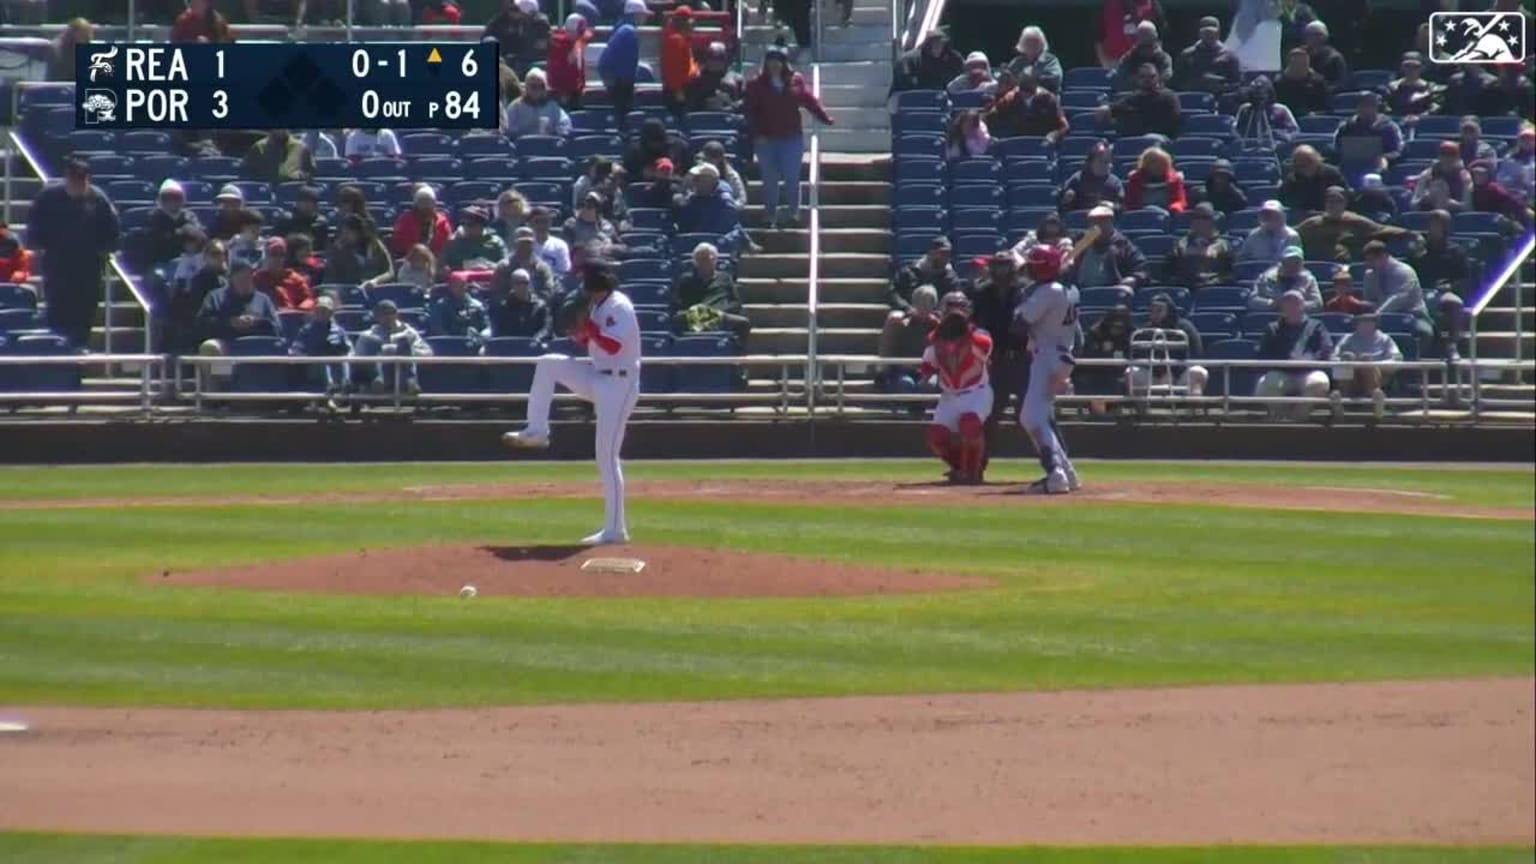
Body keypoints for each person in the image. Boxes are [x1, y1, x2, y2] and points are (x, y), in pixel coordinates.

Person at [503, 259, 643, 546]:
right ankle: (537, 430)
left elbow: (615, 346)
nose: (584, 289)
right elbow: (592, 341)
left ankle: (615, 529)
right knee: (548, 364)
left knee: (606, 458)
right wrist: (581, 335)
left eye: (587, 282)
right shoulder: (598, 305)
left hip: (620, 384)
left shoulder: (619, 305)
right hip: (598, 376)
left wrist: (590, 330)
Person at [27, 159, 120, 349]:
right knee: (58, 307)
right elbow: (35, 224)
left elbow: (112, 229)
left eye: (81, 179)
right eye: (73, 178)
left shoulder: (97, 198)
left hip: (89, 265)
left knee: (85, 308)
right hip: (57, 264)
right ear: (66, 178)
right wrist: (39, 244)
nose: (77, 183)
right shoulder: (49, 196)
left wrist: (107, 248)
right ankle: (57, 347)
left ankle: (79, 346)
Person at [1013, 245, 1081, 495]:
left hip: (1047, 357)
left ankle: (1055, 475)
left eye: (1033, 265)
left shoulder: (1048, 292)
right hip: (1060, 357)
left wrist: (1025, 297)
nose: (1028, 268)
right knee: (1040, 416)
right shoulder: (1066, 290)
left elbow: (1019, 324)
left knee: (1031, 418)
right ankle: (1066, 472)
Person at [744, 44, 833, 230]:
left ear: (784, 63)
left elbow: (809, 101)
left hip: (791, 137)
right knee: (770, 180)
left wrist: (824, 117)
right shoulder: (755, 84)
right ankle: (770, 214)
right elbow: (749, 112)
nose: (774, 65)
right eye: (771, 61)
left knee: (792, 177)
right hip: (765, 140)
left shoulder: (795, 80)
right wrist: (756, 135)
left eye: (778, 61)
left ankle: (794, 212)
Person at [918, 293, 993, 484]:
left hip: (976, 392)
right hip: (950, 395)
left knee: (970, 424)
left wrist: (963, 333)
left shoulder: (980, 336)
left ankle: (973, 472)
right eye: (951, 307)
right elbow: (927, 366)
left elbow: (985, 350)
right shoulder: (935, 339)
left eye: (959, 308)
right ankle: (959, 468)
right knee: (936, 436)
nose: (955, 312)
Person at [965, 253, 1028, 471]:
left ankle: (1053, 465)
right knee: (989, 416)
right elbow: (976, 324)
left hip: (1021, 358)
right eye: (998, 266)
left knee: (1031, 415)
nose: (1002, 271)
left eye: (1005, 266)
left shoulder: (1023, 291)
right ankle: (977, 465)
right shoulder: (982, 293)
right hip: (994, 360)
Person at [1255, 290, 1333, 421]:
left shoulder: (1316, 325)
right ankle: (1279, 419)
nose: (1291, 306)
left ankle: (1299, 418)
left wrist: (1309, 360)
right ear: (1282, 307)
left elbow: (1326, 348)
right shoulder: (1273, 328)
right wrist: (1283, 361)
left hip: (1308, 371)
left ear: (1303, 305)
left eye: (1295, 303)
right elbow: (1262, 352)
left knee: (1319, 382)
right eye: (1287, 303)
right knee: (1269, 382)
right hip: (1281, 371)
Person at [1296, 186, 1411, 262]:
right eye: (1330, 201)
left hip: (1349, 266)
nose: (1334, 205)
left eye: (1338, 201)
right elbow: (1293, 234)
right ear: (1325, 203)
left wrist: (1410, 233)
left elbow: (1381, 229)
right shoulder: (1313, 224)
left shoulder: (1355, 221)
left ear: (1345, 203)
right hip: (1322, 266)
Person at [1127, 292, 1208, 399]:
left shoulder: (1185, 328)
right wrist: (1159, 372)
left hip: (1179, 376)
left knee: (1198, 371)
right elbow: (1138, 356)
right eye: (1152, 310)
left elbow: (1195, 354)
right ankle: (1140, 410)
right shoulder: (1145, 330)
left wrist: (1173, 372)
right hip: (1153, 375)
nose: (1155, 314)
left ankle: (1194, 411)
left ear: (1169, 310)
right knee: (1131, 372)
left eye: (1159, 310)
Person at [195, 259, 281, 354]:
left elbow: (277, 328)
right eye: (241, 276)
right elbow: (202, 325)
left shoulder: (263, 300)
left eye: (248, 276)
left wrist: (256, 323)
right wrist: (230, 323)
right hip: (226, 349)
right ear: (231, 278)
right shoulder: (215, 298)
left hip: (258, 350)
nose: (245, 280)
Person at [673, 242, 750, 345]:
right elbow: (677, 302)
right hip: (695, 315)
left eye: (711, 259)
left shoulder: (725, 278)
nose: (708, 263)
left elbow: (736, 302)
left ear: (715, 260)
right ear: (696, 262)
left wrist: (717, 311)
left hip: (719, 314)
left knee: (744, 322)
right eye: (703, 260)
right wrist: (696, 311)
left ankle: (736, 352)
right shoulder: (685, 279)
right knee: (677, 320)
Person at [352, 298, 433, 396]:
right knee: (373, 341)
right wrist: (384, 352)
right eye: (383, 313)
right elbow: (359, 359)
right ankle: (378, 380)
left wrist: (402, 352)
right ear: (377, 316)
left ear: (397, 314)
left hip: (402, 375)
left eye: (391, 312)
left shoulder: (409, 332)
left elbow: (428, 353)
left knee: (403, 343)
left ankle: (410, 381)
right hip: (375, 379)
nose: (388, 316)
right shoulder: (367, 335)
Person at [1361, 240, 1432, 346]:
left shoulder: (1405, 271)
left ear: (1384, 256)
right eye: (1367, 260)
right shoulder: (1369, 275)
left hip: (1412, 315)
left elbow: (1398, 298)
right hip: (1381, 319)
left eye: (1372, 260)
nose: (1369, 264)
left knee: (1424, 332)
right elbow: (1368, 299)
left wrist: (1378, 314)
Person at [1328, 311, 1399, 416]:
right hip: (1350, 378)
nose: (1366, 324)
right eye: (1362, 321)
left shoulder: (1386, 339)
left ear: (1375, 323)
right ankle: (1341, 399)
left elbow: (1396, 359)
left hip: (1375, 374)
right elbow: (1333, 357)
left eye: (1370, 321)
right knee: (1347, 356)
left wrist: (1374, 364)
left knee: (1365, 359)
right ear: (1356, 323)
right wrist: (1349, 362)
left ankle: (1375, 399)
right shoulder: (1347, 338)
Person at [877, 284, 940, 397]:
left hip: (926, 370)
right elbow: (888, 349)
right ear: (914, 303)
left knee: (928, 385)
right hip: (902, 369)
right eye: (921, 302)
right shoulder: (899, 323)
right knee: (906, 384)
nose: (924, 306)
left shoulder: (937, 325)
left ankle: (919, 409)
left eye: (928, 303)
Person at [1065, 206, 1149, 290]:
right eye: (1094, 222)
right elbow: (1066, 263)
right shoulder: (1082, 241)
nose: (1098, 225)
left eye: (1103, 221)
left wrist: (1134, 278)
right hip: (1081, 290)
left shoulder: (1122, 244)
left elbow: (1141, 268)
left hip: (1112, 291)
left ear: (1111, 222)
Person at [129, 179, 200, 275]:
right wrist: (179, 235)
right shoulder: (152, 218)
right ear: (160, 200)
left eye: (176, 197)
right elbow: (154, 244)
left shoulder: (190, 217)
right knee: (158, 277)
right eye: (167, 198)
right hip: (160, 262)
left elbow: (196, 239)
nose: (172, 201)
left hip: (186, 261)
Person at [288, 294, 352, 400]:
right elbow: (295, 350)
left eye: (325, 311)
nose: (321, 314)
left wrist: (345, 355)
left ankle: (346, 384)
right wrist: (308, 357)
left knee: (343, 360)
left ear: (331, 313)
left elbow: (349, 349)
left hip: (336, 366)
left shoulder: (339, 331)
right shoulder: (306, 330)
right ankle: (330, 387)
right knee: (323, 361)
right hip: (314, 368)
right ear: (314, 313)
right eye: (319, 310)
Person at [597, 0, 649, 125]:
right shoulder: (627, 31)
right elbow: (604, 61)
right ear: (635, 14)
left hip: (622, 83)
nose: (645, 17)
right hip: (621, 85)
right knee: (623, 121)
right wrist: (610, 78)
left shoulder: (623, 28)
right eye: (642, 14)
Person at [888, 237, 961, 323]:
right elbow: (893, 293)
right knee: (894, 317)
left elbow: (954, 300)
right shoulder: (909, 272)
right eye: (941, 253)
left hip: (938, 319)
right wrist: (907, 308)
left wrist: (938, 312)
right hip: (909, 315)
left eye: (948, 254)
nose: (945, 257)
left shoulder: (951, 278)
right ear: (931, 252)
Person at [1098, 62, 1181, 138]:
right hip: (1133, 139)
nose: (1147, 80)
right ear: (1137, 79)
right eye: (1143, 76)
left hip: (1159, 139)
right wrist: (1106, 108)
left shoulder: (1168, 97)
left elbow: (1171, 123)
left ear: (1158, 77)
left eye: (1152, 76)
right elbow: (1115, 108)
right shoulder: (1134, 97)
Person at [1333, 92, 1403, 178]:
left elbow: (1397, 151)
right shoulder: (1346, 127)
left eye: (1371, 105)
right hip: (1350, 168)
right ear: (1357, 107)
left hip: (1379, 169)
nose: (1367, 109)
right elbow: (1336, 149)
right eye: (1363, 105)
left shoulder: (1388, 127)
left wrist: (1384, 158)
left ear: (1377, 107)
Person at [985, 70, 1068, 142]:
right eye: (1023, 87)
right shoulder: (1010, 98)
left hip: (1043, 142)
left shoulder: (1049, 99)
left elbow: (1064, 126)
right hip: (1016, 142)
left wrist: (1054, 135)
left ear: (1036, 85)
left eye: (1029, 88)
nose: (1025, 93)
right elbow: (991, 116)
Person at [1163, 203, 1232, 289]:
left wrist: (1212, 282)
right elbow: (1169, 271)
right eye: (1196, 217)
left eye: (1205, 218)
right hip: (1186, 288)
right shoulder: (1180, 244)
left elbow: (1229, 275)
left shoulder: (1224, 246)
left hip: (1212, 290)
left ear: (1213, 221)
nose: (1200, 221)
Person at [323, 214, 394, 286]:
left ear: (359, 232)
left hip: (375, 290)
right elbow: (330, 280)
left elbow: (389, 273)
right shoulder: (337, 250)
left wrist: (375, 281)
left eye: (348, 232)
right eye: (343, 233)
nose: (345, 236)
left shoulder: (375, 245)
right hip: (348, 292)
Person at [483, 0, 549, 74]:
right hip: (512, 57)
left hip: (531, 59)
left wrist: (515, 57)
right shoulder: (502, 21)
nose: (514, 12)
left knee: (519, 64)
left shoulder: (540, 24)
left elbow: (536, 48)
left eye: (516, 9)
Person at [503, 69, 573, 138]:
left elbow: (565, 125)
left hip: (548, 146)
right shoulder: (515, 107)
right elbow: (507, 129)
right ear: (526, 87)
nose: (538, 89)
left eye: (542, 86)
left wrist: (554, 131)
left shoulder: (553, 107)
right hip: (523, 147)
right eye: (533, 86)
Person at [1095, 0, 1166, 69]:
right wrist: (1106, 63)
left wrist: (1152, 63)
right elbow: (1099, 37)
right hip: (1113, 62)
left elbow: (1160, 37)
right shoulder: (1109, 4)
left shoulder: (1152, 5)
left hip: (1143, 65)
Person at [1279, 144, 1348, 213]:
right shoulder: (1292, 179)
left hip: (1329, 216)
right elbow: (1283, 202)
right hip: (1302, 218)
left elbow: (1345, 197)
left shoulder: (1332, 175)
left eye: (1309, 161)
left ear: (1317, 160)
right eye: (1301, 164)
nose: (1306, 165)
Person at [1251, 246, 1323, 311]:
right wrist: (1271, 303)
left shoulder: (1308, 279)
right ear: (1282, 263)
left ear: (1302, 264)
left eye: (1297, 263)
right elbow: (1252, 301)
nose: (1292, 266)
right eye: (1289, 262)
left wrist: (1295, 306)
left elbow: (1317, 304)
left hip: (1297, 320)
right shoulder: (1266, 277)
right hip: (1271, 317)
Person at [442, 206, 509, 274]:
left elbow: (505, 265)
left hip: (491, 279)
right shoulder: (453, 243)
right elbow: (441, 267)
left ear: (482, 225)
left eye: (471, 225)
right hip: (461, 280)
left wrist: (488, 265)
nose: (466, 227)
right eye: (463, 224)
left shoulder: (496, 242)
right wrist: (464, 266)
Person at [1058, 142, 1123, 212]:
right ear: (1090, 162)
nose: (1105, 165)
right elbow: (1061, 203)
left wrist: (1112, 206)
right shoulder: (1078, 179)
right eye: (1101, 161)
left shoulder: (1115, 182)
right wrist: (1067, 199)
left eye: (1107, 162)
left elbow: (1122, 206)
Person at [253, 236, 314, 311]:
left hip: (292, 318)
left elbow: (308, 300)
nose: (278, 258)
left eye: (281, 254)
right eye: (274, 254)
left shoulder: (296, 279)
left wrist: (298, 310)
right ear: (266, 256)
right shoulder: (257, 279)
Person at [429, 273, 491, 345]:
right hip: (451, 346)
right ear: (451, 287)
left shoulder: (477, 305)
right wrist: (455, 340)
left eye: (462, 285)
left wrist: (481, 337)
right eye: (456, 286)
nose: (460, 288)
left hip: (475, 343)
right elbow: (437, 329)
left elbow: (487, 328)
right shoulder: (441, 306)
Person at [390, 186, 452, 258]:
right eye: (422, 202)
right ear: (416, 204)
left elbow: (447, 246)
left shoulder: (442, 222)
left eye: (429, 202)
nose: (426, 206)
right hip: (411, 260)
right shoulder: (405, 220)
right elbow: (399, 245)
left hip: (436, 260)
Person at [1411, 141, 1472, 213]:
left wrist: (1449, 203)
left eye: (1452, 154)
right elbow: (1413, 205)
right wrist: (1425, 199)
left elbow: (1468, 208)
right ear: (1439, 156)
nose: (1447, 158)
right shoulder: (1427, 174)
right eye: (1444, 154)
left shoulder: (1465, 177)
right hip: (1429, 214)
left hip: (1454, 215)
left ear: (1458, 157)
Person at [547, 13, 592, 110]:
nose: (581, 35)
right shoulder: (558, 45)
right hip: (562, 93)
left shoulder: (578, 42)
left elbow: (580, 66)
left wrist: (582, 84)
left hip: (576, 91)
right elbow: (557, 72)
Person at [1112, 20, 1174, 91]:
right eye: (1144, 45)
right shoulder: (1128, 59)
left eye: (1149, 44)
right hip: (1133, 96)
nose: (1146, 49)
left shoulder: (1164, 58)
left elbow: (1167, 77)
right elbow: (1122, 80)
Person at [490, 268, 551, 340]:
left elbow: (546, 328)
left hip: (535, 346)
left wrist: (536, 339)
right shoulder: (504, 307)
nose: (523, 286)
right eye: (518, 283)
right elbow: (499, 331)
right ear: (512, 285)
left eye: (525, 283)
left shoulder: (540, 306)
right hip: (512, 347)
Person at [660, 6, 700, 116]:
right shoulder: (675, 40)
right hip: (677, 90)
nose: (692, 25)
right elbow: (673, 68)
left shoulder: (679, 37)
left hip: (680, 88)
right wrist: (678, 90)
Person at [1469, 161, 1535, 227]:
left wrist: (1528, 212)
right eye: (1476, 173)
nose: (1478, 176)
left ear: (1488, 174)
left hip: (1494, 224)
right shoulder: (1468, 189)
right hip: (1473, 225)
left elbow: (1513, 202)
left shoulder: (1494, 188)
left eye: (1482, 174)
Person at [894, 30, 964, 92]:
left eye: (941, 44)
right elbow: (903, 84)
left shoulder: (952, 60)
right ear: (928, 45)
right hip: (909, 100)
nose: (939, 47)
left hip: (938, 99)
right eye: (936, 44)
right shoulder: (909, 60)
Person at [1233, 78, 1298, 143]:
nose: (1259, 97)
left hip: (1277, 145)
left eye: (1263, 94)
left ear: (1269, 94)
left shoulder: (1281, 109)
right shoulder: (1245, 109)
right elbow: (1235, 130)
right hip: (1248, 145)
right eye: (1256, 94)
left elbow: (1294, 130)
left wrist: (1281, 136)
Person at [1123, 146, 1186, 213]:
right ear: (1146, 164)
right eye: (1154, 163)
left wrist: (1174, 209)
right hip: (1141, 214)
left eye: (1162, 164)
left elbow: (1179, 200)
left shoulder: (1174, 179)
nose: (1158, 166)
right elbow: (1131, 202)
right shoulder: (1135, 180)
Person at [1239, 199, 1301, 264]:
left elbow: (1294, 262)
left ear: (1281, 217)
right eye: (1265, 215)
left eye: (1272, 215)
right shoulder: (1253, 235)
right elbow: (1244, 258)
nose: (1268, 218)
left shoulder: (1291, 236)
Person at [1271, 47, 1330, 117]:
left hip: (1314, 119)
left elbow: (1327, 108)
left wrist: (1315, 114)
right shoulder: (1278, 84)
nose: (1301, 66)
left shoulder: (1318, 82)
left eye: (1304, 63)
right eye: (1297, 63)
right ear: (1289, 64)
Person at [688, 43, 746, 113]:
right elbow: (689, 108)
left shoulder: (737, 79)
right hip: (704, 119)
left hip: (729, 119)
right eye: (712, 59)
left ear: (725, 60)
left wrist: (732, 106)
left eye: (719, 59)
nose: (715, 63)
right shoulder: (697, 81)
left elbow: (745, 103)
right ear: (707, 60)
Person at [1008, 213, 1074, 273]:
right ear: (1044, 226)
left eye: (1054, 224)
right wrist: (1023, 264)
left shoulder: (1065, 242)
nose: (1052, 227)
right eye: (1049, 224)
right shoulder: (1032, 238)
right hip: (1030, 273)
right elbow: (1013, 251)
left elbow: (1069, 259)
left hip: (1055, 274)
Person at [240, 130, 314, 183]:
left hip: (292, 194)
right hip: (266, 194)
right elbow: (245, 172)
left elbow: (310, 172)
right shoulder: (259, 147)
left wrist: (300, 176)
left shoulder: (301, 147)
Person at [1004, 26, 1062, 93]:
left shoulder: (1051, 61)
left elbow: (1053, 80)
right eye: (1028, 42)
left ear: (1042, 44)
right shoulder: (1017, 62)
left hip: (1045, 99)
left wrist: (1027, 81)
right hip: (1018, 99)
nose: (1032, 45)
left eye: (1035, 41)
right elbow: (1008, 80)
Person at [1384, 52, 1440, 119]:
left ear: (1422, 68)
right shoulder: (1392, 88)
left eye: (1416, 67)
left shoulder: (1431, 88)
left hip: (1424, 124)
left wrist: (1420, 117)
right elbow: (1385, 107)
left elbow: (1435, 107)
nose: (1411, 70)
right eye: (1407, 66)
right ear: (1401, 67)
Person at [698, 141, 747, 210]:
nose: (710, 160)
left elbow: (741, 199)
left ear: (721, 158)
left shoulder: (731, 174)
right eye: (707, 157)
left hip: (722, 211)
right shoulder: (696, 171)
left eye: (714, 157)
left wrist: (731, 207)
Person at [1301, 20, 1347, 88]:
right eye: (1307, 34)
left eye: (1312, 34)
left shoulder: (1334, 58)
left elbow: (1340, 84)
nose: (1308, 38)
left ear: (1323, 36)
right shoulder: (1301, 54)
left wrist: (1320, 80)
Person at [1496, 126, 1535, 202]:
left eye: (1530, 139)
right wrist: (1514, 179)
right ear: (1519, 141)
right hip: (1513, 195)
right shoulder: (1509, 158)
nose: (1527, 141)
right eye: (1524, 139)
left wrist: (1529, 183)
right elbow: (1500, 178)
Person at [47, 18, 91, 82]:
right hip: (59, 85)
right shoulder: (57, 49)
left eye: (86, 36)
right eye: (83, 35)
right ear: (74, 32)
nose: (85, 38)